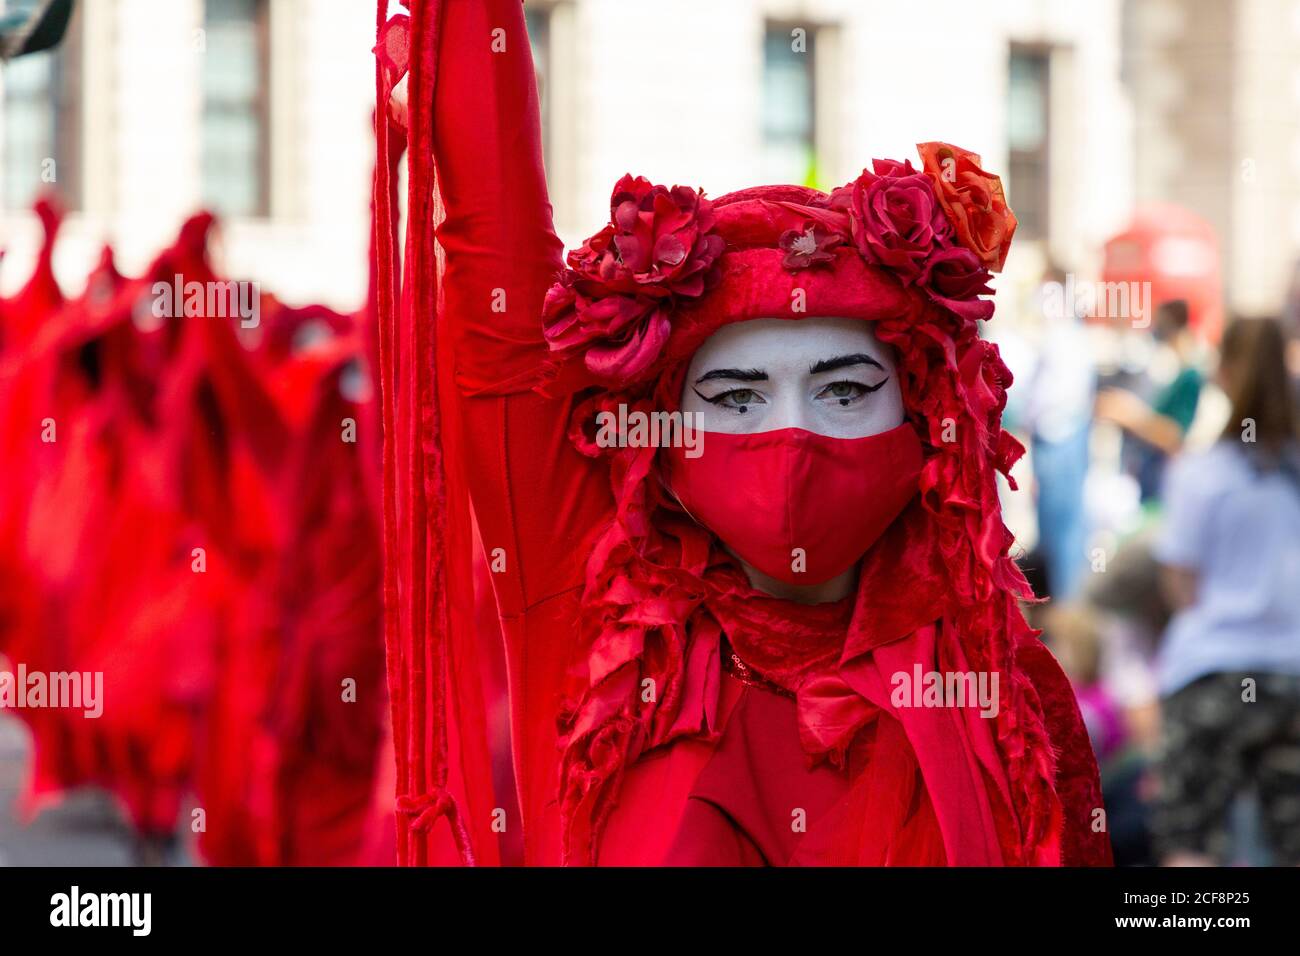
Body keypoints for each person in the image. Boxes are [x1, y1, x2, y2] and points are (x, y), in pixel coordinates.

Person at [376, 0, 1109, 866]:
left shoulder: (1009, 703)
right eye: (735, 396)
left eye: (842, 391)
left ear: (926, 424)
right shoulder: (588, 606)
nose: (790, 434)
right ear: (662, 435)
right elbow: (492, 245)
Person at [1153, 316, 1300, 866]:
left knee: (1190, 841)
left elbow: (1181, 585)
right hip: (1293, 675)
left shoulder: (1203, 471)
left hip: (1212, 673)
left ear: (1224, 371)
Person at [1097, 299, 1203, 504]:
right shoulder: (1176, 369)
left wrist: (1131, 416)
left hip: (1166, 483)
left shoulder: (1191, 377)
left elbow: (1174, 435)